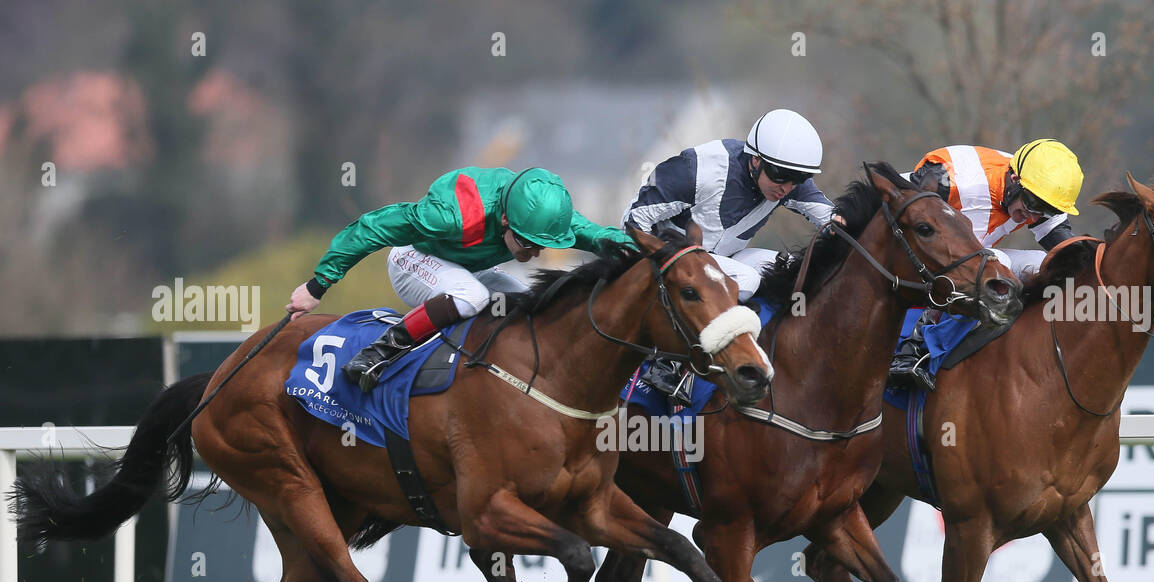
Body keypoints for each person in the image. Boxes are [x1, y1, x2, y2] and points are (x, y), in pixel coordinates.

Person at [285, 166, 630, 391]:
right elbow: (372, 227)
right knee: (474, 295)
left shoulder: (546, 218)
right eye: (528, 244)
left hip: (467, 268)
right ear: (507, 219)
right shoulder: (451, 215)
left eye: (543, 245)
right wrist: (318, 286)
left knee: (533, 300)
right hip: (412, 258)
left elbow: (609, 238)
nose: (535, 253)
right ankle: (379, 352)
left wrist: (668, 255)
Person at [623, 109, 838, 398]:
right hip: (675, 269)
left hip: (720, 260)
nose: (786, 187)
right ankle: (666, 361)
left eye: (798, 178)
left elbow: (834, 219)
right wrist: (659, 269)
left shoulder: (785, 178)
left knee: (787, 265)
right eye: (780, 176)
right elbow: (634, 219)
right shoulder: (699, 168)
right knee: (747, 278)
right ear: (755, 159)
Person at [889, 138, 1085, 391]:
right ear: (1014, 180)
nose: (1034, 217)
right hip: (922, 271)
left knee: (1047, 266)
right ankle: (915, 346)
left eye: (1046, 211)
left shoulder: (1039, 188)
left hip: (965, 266)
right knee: (993, 266)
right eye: (1033, 204)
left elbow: (1067, 251)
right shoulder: (953, 178)